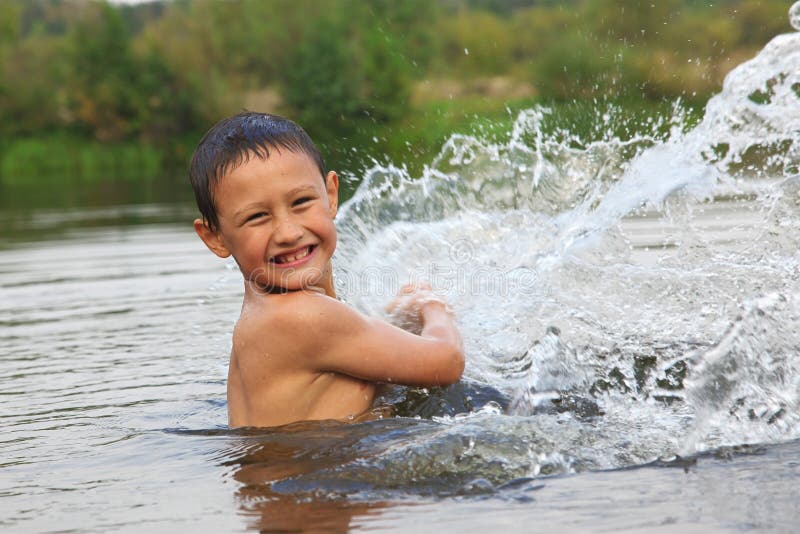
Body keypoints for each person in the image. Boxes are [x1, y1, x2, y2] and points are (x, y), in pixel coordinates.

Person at [189, 112, 464, 428]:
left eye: (301, 202)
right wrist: (434, 306)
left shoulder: (265, 316)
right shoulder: (300, 316)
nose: (288, 232)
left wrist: (401, 320)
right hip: (320, 475)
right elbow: (447, 362)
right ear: (215, 237)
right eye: (257, 217)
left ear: (330, 195)